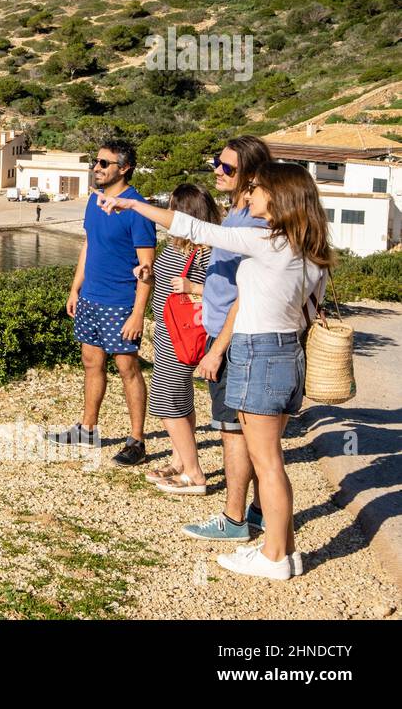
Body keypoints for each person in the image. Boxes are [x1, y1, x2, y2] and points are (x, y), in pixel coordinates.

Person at [98, 161, 332, 580]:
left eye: (257, 189)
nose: (249, 194)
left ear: (279, 198)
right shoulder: (310, 250)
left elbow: (195, 228)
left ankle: (276, 556)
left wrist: (133, 207)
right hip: (287, 353)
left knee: (268, 462)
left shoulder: (266, 242)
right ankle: (282, 548)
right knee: (269, 458)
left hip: (259, 352)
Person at [172, 137, 275, 543]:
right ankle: (258, 513)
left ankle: (235, 521)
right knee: (248, 432)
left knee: (234, 430)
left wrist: (216, 349)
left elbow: (245, 295)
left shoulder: (252, 219)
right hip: (229, 334)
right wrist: (199, 293)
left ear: (250, 173)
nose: (217, 170)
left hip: (235, 340)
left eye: (227, 167)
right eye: (217, 162)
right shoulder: (237, 213)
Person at [48, 138, 158, 465]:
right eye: (96, 162)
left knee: (127, 368)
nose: (96, 168)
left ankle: (137, 440)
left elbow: (146, 269)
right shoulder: (94, 201)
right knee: (91, 363)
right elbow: (88, 246)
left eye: (104, 164)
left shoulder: (137, 210)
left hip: (120, 302)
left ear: (124, 169)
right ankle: (87, 429)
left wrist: (139, 313)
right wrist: (75, 288)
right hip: (91, 299)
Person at [142, 184, 220, 495]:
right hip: (166, 331)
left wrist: (193, 288)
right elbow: (164, 279)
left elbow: (229, 293)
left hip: (183, 336)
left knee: (165, 401)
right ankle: (178, 461)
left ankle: (194, 473)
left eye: (173, 208)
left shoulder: (209, 250)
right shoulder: (178, 245)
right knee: (181, 399)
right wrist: (148, 275)